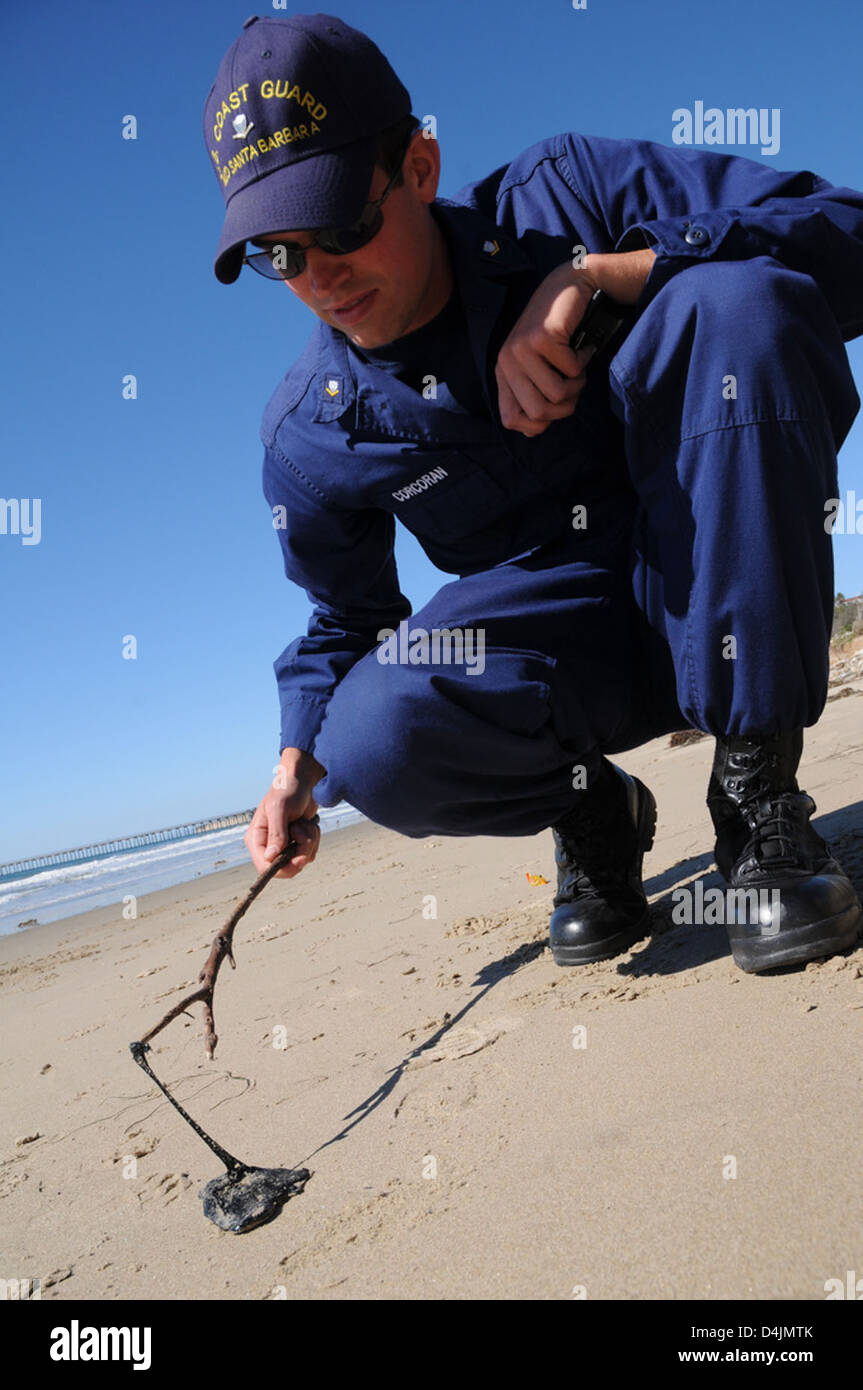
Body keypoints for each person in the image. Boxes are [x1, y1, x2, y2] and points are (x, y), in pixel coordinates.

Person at [203, 13, 863, 973]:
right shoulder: (309, 434)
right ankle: (592, 806)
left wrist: (609, 275)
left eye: (342, 222)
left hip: (735, 583)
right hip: (582, 650)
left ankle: (758, 796)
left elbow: (847, 233)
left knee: (731, 300)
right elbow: (345, 622)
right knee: (372, 736)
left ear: (419, 167)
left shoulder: (567, 195)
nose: (320, 276)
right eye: (279, 253)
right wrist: (294, 764)